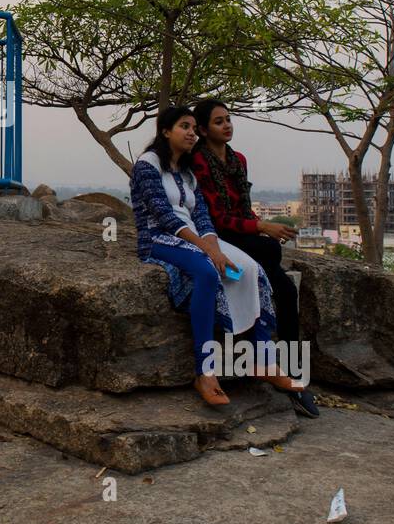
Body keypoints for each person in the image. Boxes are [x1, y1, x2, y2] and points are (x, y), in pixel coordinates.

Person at [130, 105, 303, 407]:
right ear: (166, 131)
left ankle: (262, 360)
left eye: (194, 127)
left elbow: (203, 215)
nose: (191, 133)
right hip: (159, 239)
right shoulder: (148, 165)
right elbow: (164, 216)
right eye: (184, 126)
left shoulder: (185, 171)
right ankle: (205, 371)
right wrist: (208, 250)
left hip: (196, 238)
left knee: (248, 270)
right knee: (208, 273)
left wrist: (214, 245)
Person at [191, 99, 321, 419]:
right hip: (215, 237)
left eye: (229, 119)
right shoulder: (199, 163)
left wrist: (258, 229)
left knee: (286, 291)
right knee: (258, 260)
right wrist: (262, 227)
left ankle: (294, 376)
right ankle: (260, 363)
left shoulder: (238, 160)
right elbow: (217, 218)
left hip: (243, 235)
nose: (227, 125)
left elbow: (243, 208)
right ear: (204, 129)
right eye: (219, 121)